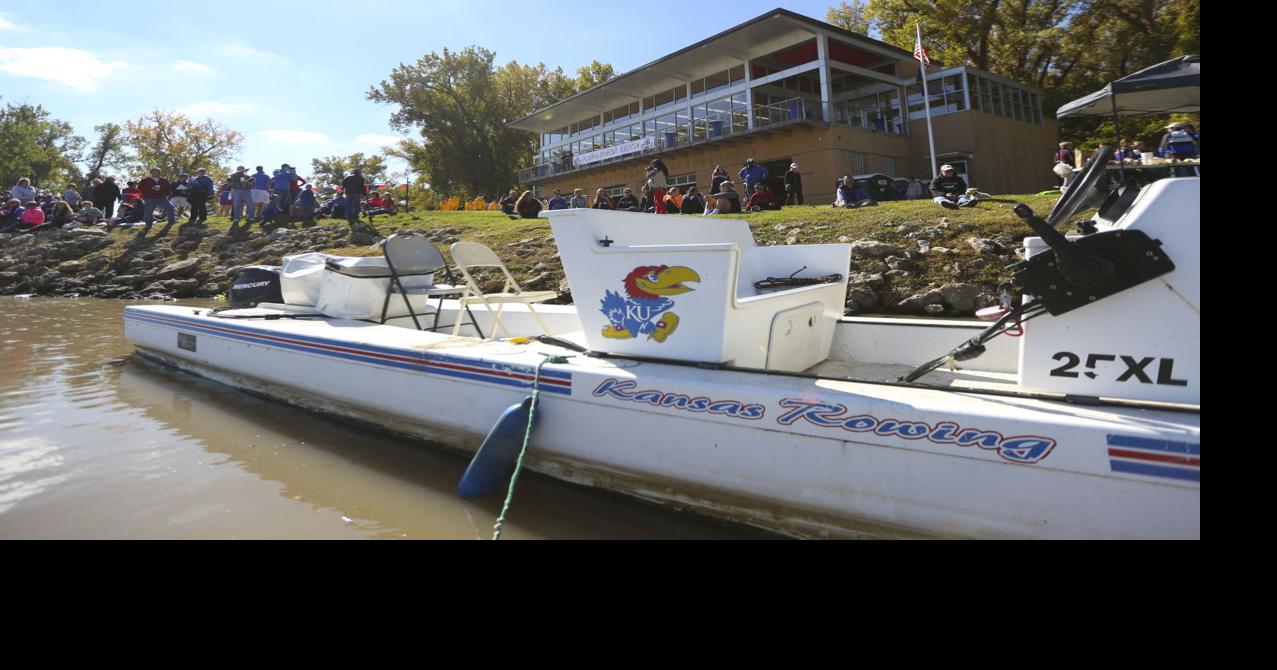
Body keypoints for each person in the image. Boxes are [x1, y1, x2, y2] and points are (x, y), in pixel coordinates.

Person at [138, 167, 177, 232]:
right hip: (149, 198)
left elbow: (168, 189)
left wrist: (167, 194)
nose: (155, 173)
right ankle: (148, 224)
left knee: (170, 207)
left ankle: (172, 221)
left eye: (157, 171)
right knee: (148, 211)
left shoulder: (164, 180)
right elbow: (139, 188)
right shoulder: (145, 180)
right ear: (151, 173)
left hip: (162, 198)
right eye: (153, 172)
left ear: (159, 173)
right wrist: (150, 188)